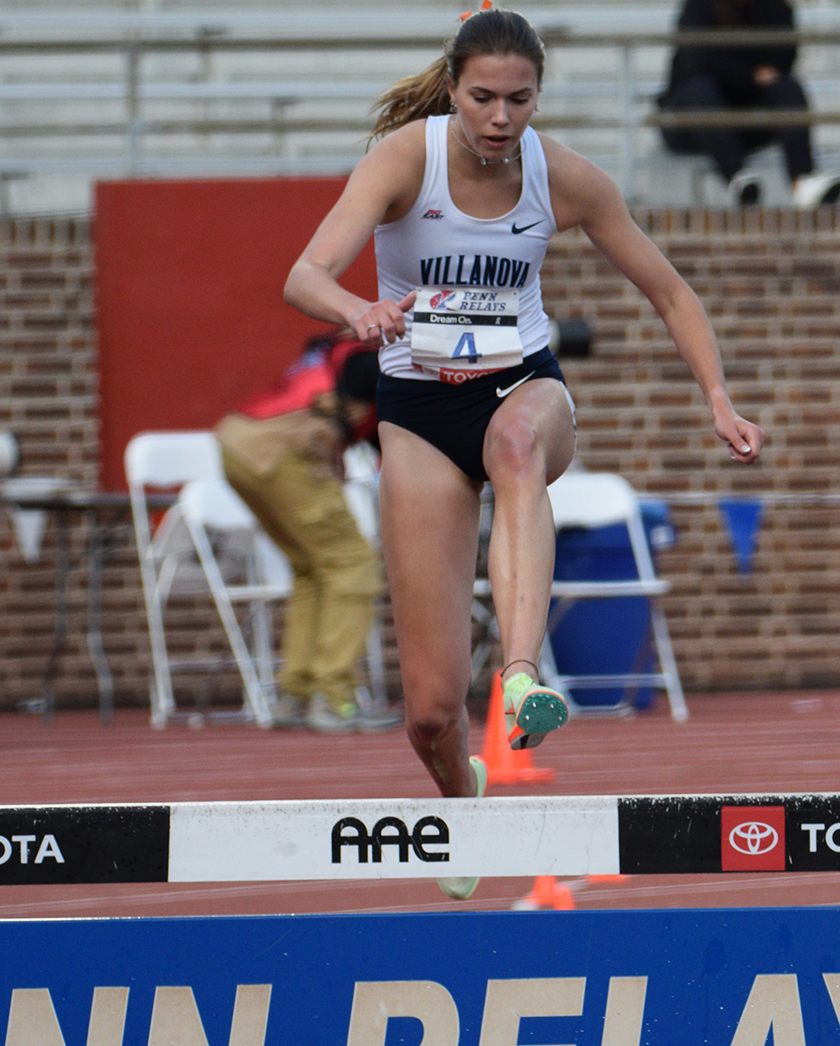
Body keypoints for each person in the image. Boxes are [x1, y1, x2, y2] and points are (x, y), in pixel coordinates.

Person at [283, 4, 765, 899]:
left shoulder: (564, 178)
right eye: (482, 99)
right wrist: (359, 311)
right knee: (428, 710)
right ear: (454, 91)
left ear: (538, 97)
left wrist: (718, 396)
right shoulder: (403, 159)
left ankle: (519, 675)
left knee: (513, 444)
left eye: (520, 100)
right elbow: (303, 274)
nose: (501, 119)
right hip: (420, 411)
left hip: (524, 389)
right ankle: (462, 795)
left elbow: (670, 292)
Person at [215, 333, 397, 734]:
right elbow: (366, 390)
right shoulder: (383, 362)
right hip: (282, 449)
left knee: (314, 567)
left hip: (239, 441)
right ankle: (334, 698)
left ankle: (295, 694)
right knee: (352, 563)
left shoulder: (344, 350)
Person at [657, 0, 840, 207]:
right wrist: (749, 75)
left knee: (787, 88)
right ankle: (739, 181)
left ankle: (802, 182)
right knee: (700, 90)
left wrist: (781, 10)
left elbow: (784, 59)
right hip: (689, 125)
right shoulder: (700, 5)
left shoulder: (772, 7)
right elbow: (694, 61)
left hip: (741, 123)